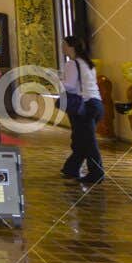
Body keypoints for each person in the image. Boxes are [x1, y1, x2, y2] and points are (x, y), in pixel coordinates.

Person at [58, 34, 104, 184]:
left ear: (71, 47)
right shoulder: (88, 63)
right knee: (80, 139)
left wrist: (56, 81)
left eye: (64, 44)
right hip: (96, 104)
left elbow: (70, 85)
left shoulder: (72, 64)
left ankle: (96, 173)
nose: (62, 47)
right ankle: (71, 168)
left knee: (88, 142)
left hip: (83, 106)